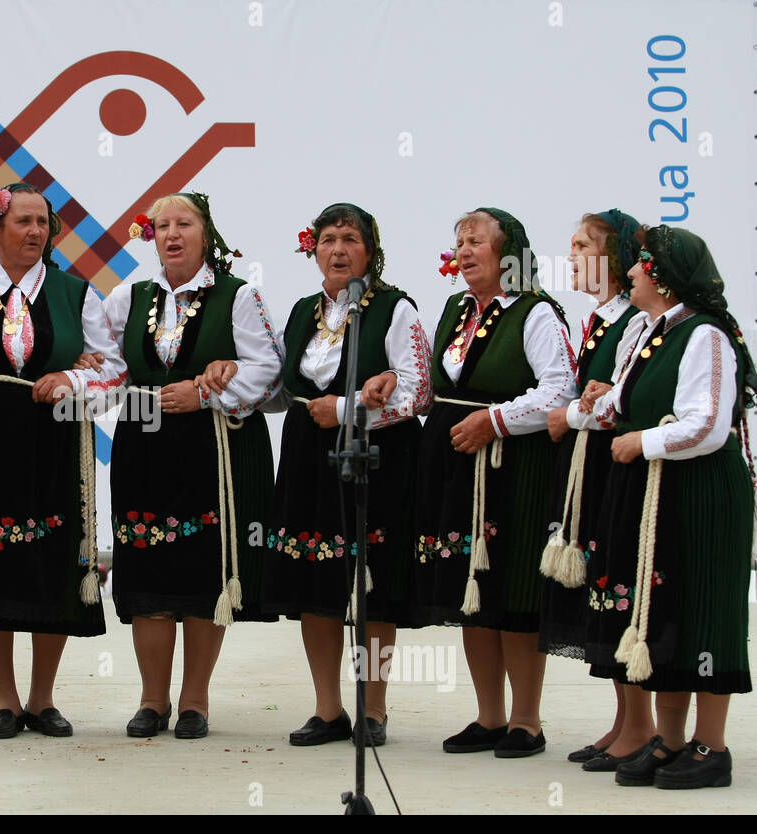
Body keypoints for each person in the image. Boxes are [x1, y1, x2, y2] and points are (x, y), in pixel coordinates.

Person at [211, 202, 430, 747]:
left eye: (350, 239)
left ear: (370, 250)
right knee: (316, 581)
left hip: (376, 455)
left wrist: (352, 407)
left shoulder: (396, 308)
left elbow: (418, 391)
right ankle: (328, 708)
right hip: (311, 454)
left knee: (370, 583)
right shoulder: (305, 310)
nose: (337, 249)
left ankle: (373, 708)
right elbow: (285, 389)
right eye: (328, 239)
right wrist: (237, 374)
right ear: (313, 251)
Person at [0, 182, 119, 739]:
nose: (36, 232)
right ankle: (5, 699)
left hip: (52, 439)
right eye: (23, 222)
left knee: (49, 561)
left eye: (43, 222)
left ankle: (43, 698)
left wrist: (72, 375)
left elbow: (114, 368)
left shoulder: (74, 292)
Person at [103, 191, 281, 739]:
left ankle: (195, 700)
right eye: (162, 226)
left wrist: (205, 394)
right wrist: (88, 373)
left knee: (203, 573)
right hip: (145, 449)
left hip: (212, 453)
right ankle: (151, 700)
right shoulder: (127, 298)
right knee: (150, 573)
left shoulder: (238, 296)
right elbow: (107, 366)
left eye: (185, 224)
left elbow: (271, 373)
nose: (173, 234)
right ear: (150, 236)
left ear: (207, 235)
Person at [584, 225, 753, 789]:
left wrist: (641, 442)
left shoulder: (705, 335)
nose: (629, 271)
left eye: (640, 264)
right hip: (665, 488)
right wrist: (591, 409)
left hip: (703, 490)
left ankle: (712, 748)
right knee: (665, 613)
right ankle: (671, 741)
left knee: (704, 609)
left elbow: (706, 424)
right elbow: (623, 402)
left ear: (661, 275)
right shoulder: (656, 331)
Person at [413, 207, 577, 757]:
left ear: (509, 255)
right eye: (459, 240)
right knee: (473, 590)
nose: (463, 250)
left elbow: (559, 390)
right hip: (459, 466)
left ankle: (526, 721)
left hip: (515, 471)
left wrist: (495, 421)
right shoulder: (457, 310)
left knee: (513, 592)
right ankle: (489, 716)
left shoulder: (535, 314)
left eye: (476, 241)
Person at [537, 210, 653, 771]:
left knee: (619, 590)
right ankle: (624, 721)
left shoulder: (633, 318)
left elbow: (623, 402)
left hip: (613, 468)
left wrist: (576, 410)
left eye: (583, 245)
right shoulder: (603, 318)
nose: (573, 254)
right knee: (603, 594)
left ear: (613, 257)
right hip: (592, 463)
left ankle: (642, 725)